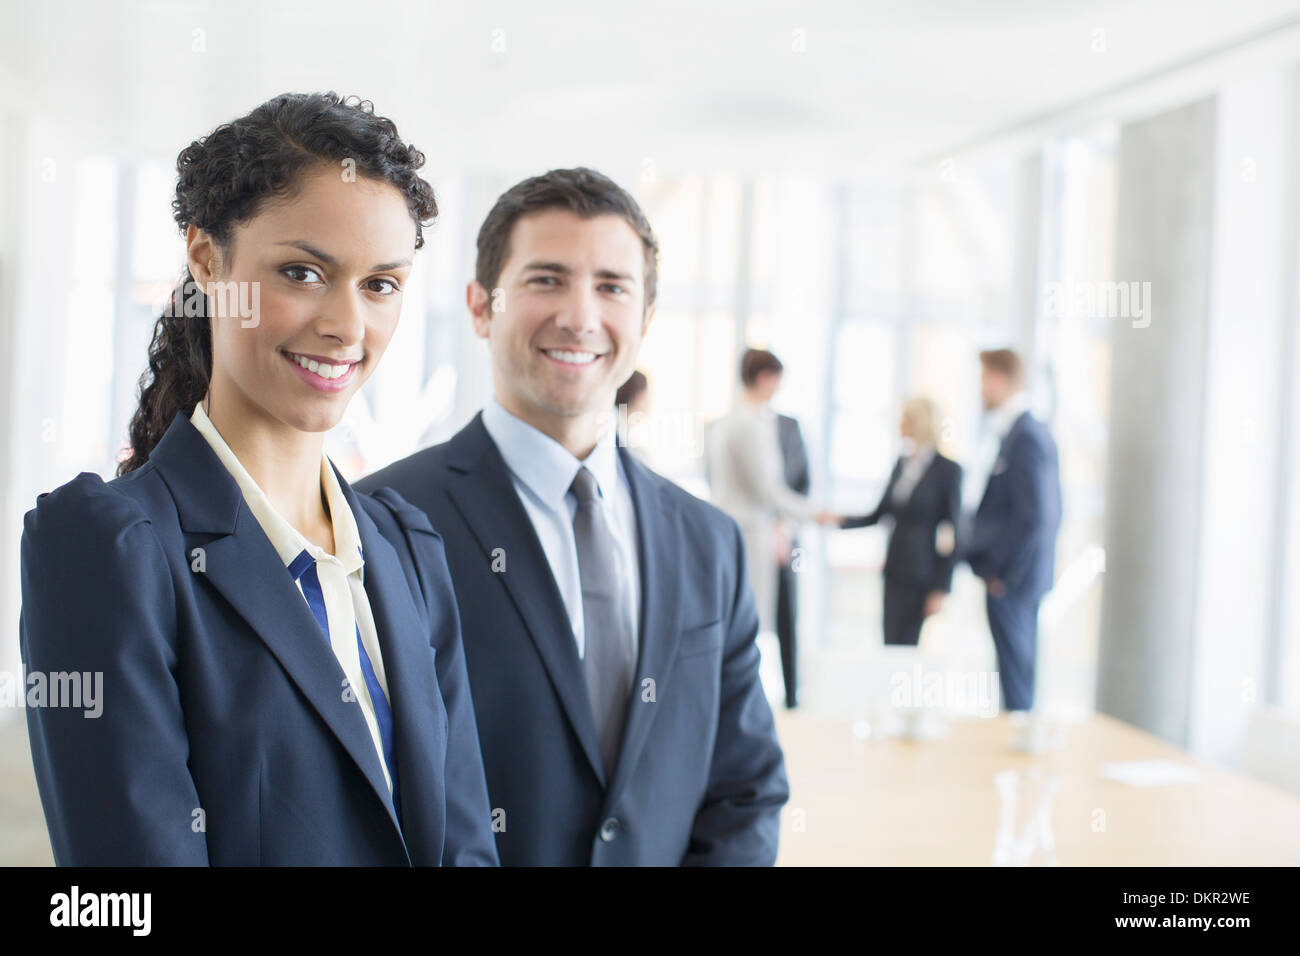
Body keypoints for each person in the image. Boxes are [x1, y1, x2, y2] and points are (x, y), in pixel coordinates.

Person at [19, 93, 498, 866]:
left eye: (381, 284)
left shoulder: (407, 549)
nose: (347, 325)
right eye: (303, 272)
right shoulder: (113, 545)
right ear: (207, 261)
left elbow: (467, 843)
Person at [357, 168, 789, 866]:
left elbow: (745, 790)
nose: (581, 316)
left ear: (646, 321)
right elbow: (367, 795)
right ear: (480, 306)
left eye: (612, 287)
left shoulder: (708, 541)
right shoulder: (382, 523)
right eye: (546, 279)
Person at [965, 348, 1062, 711]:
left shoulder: (1027, 436)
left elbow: (1036, 516)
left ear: (999, 378)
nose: (979, 390)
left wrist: (1006, 574)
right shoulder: (1017, 433)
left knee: (1016, 681)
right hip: (1012, 579)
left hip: (1014, 582)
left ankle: (1021, 763)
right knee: (1013, 676)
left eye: (982, 379)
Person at [708, 349, 822, 639]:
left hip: (727, 531)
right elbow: (770, 491)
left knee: (729, 619)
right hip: (752, 535)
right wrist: (815, 514)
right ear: (765, 379)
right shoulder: (752, 425)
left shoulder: (720, 425)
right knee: (749, 624)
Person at [831, 397, 962, 647]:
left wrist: (941, 587)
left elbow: (951, 533)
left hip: (922, 574)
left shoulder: (947, 471)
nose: (899, 424)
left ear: (918, 422)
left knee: (908, 647)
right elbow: (880, 514)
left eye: (905, 418)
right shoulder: (902, 465)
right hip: (894, 569)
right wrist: (838, 520)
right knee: (890, 642)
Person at [774, 408, 811, 707]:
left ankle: (791, 695)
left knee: (789, 615)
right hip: (752, 539)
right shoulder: (730, 427)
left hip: (789, 540)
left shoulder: (789, 426)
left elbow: (803, 483)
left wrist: (785, 528)